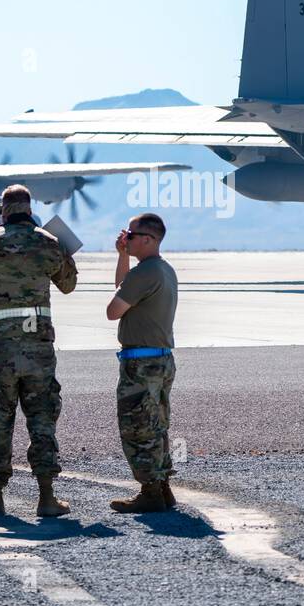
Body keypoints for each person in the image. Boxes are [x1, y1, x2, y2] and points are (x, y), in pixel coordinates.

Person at [0, 184, 77, 517]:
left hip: (1, 349)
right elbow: (68, 285)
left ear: (4, 211)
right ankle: (47, 497)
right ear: (30, 209)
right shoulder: (49, 242)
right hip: (38, 349)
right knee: (42, 419)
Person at [105, 213, 178, 513]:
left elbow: (113, 310)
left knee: (138, 427)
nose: (126, 238)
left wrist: (125, 263)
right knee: (157, 424)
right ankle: (161, 486)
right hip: (160, 359)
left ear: (148, 239)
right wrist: (123, 256)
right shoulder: (160, 269)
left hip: (142, 364)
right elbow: (123, 285)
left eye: (131, 235)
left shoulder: (145, 273)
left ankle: (150, 491)